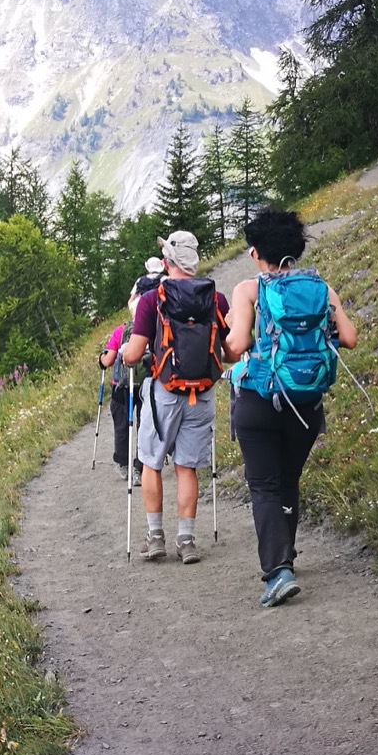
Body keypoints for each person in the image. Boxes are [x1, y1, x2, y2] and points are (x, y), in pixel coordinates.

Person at [225, 208, 358, 606]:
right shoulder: (321, 287)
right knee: (287, 480)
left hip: (260, 400)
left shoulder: (249, 290)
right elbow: (349, 338)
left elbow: (235, 346)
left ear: (255, 253)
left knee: (263, 485)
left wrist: (235, 328)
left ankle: (277, 571)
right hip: (307, 401)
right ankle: (287, 554)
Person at [119, 231, 227, 564]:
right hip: (202, 392)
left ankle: (155, 537)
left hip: (163, 391)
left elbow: (134, 355)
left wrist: (124, 352)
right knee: (187, 467)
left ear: (167, 262)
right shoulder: (216, 299)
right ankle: (187, 540)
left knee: (151, 462)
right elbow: (230, 348)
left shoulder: (153, 299)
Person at [97, 261, 163, 482]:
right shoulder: (155, 327)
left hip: (121, 385)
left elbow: (108, 361)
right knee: (143, 425)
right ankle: (139, 466)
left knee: (122, 426)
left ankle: (123, 463)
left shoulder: (121, 330)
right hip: (146, 383)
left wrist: (101, 358)